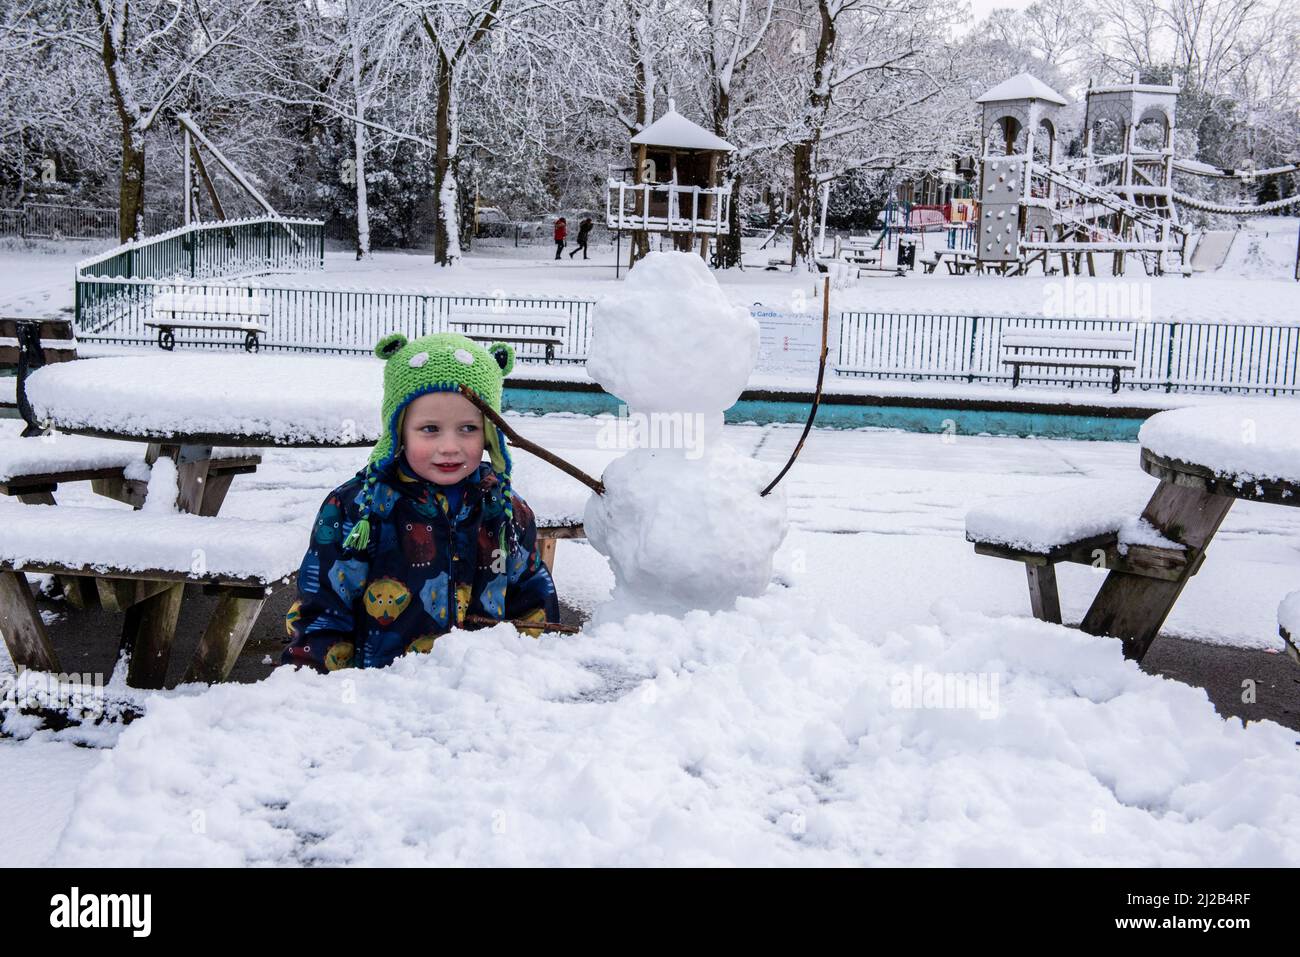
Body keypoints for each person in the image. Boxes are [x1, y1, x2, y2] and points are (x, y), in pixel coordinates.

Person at [282, 332, 560, 673]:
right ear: (399, 431)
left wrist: (531, 673)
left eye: (468, 429)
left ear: (490, 433)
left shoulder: (504, 511)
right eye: (430, 429)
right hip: (379, 692)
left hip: (480, 695)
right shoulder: (359, 508)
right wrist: (314, 684)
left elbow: (532, 601)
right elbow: (324, 605)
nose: (449, 446)